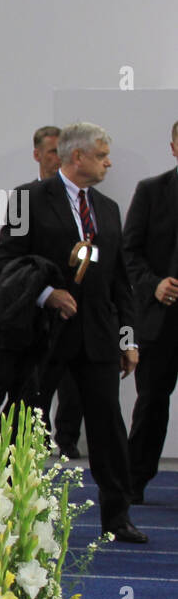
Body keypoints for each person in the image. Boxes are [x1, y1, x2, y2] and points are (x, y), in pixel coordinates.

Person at [0, 121, 145, 544]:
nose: (108, 162)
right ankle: (7, 511)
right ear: (76, 157)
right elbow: (4, 263)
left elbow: (120, 282)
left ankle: (117, 517)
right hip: (43, 336)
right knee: (23, 424)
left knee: (108, 429)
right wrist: (47, 294)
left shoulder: (109, 209)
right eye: (101, 155)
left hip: (97, 336)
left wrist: (128, 338)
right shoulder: (29, 199)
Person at [124, 120, 178, 505]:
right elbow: (128, 253)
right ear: (173, 147)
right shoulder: (151, 191)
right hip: (161, 320)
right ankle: (134, 483)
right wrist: (154, 284)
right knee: (151, 404)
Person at [34, 125, 84, 458]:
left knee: (75, 388)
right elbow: (11, 262)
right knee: (38, 386)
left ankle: (66, 441)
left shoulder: (87, 205)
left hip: (79, 312)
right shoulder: (28, 199)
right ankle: (37, 439)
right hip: (39, 315)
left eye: (61, 151)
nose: (57, 158)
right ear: (37, 154)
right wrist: (45, 292)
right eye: (52, 151)